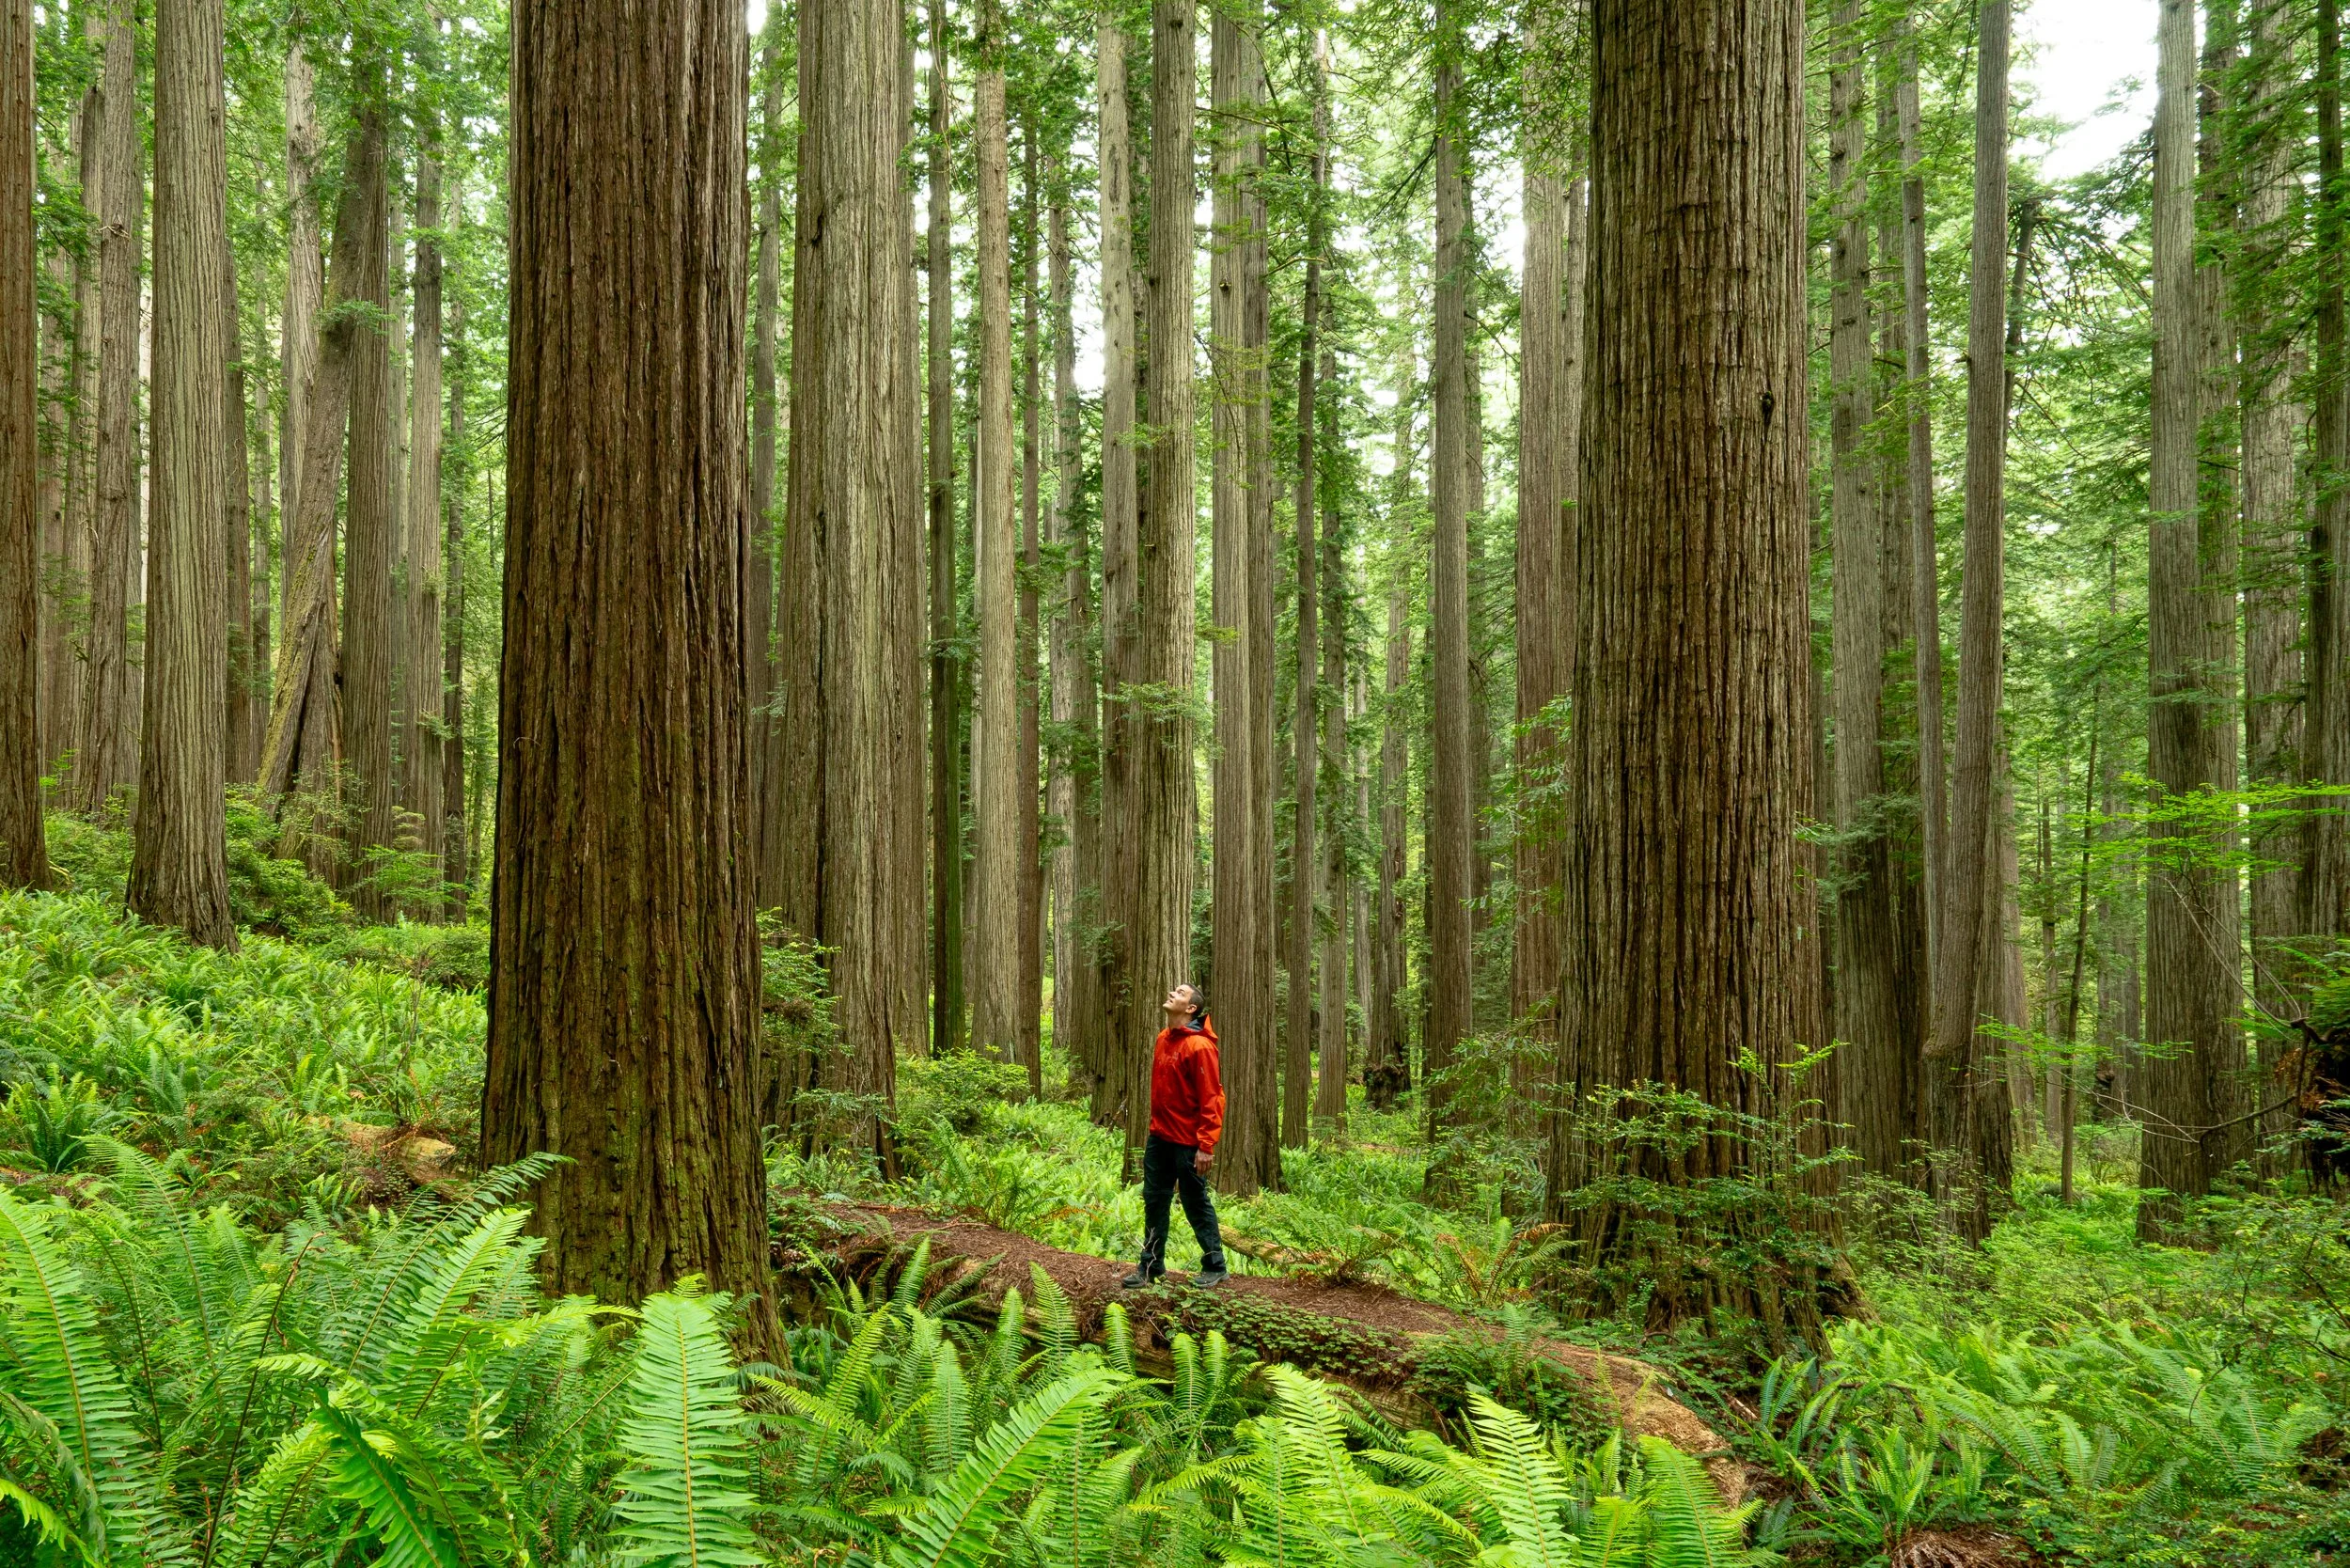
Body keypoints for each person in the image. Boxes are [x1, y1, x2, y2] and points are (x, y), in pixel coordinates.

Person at [1122, 982, 1229, 1289]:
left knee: (1196, 1202)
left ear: (1191, 1008)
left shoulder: (1200, 1047)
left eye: (1180, 993)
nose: (1172, 993)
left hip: (1189, 1142)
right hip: (1160, 1137)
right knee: (1154, 1201)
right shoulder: (1163, 1039)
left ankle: (1215, 1265)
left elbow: (1212, 1098)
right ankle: (1151, 1266)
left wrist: (1206, 1145)